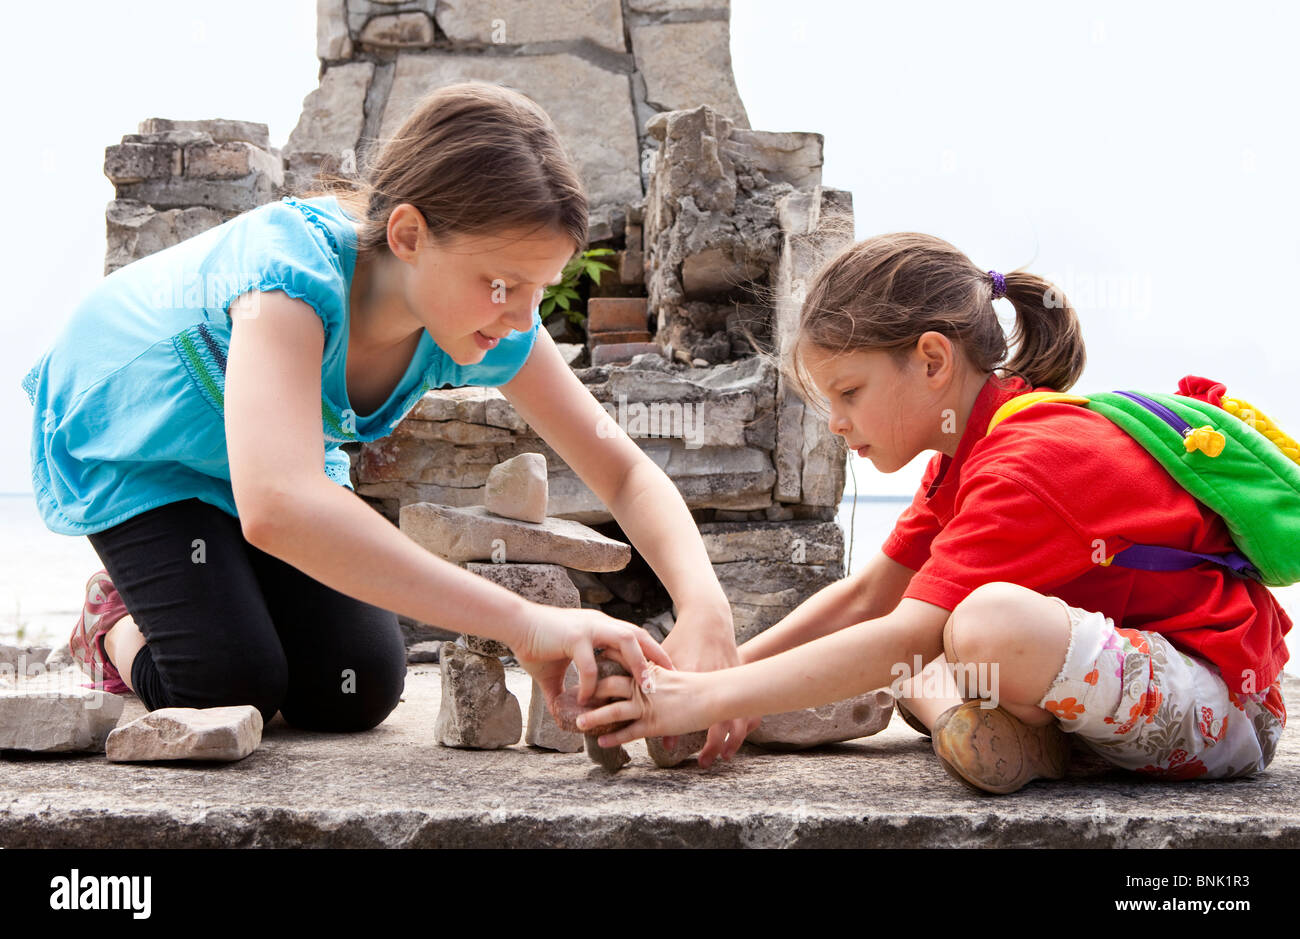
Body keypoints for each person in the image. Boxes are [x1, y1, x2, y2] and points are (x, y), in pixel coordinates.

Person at [24, 82, 748, 759]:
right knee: (223, 684)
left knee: (355, 682)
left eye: (541, 289)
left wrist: (706, 606)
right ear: (407, 235)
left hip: (265, 459)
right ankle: (110, 621)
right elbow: (279, 505)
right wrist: (528, 622)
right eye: (504, 284)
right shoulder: (291, 272)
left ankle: (215, 585)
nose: (526, 317)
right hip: (141, 442)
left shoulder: (490, 321)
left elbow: (619, 468)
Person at [574, 232, 1291, 793]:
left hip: (1223, 709)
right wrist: (703, 684)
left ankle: (1032, 743)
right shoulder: (964, 450)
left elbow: (902, 636)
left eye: (849, 393)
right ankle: (1016, 740)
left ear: (931, 360)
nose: (835, 424)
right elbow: (865, 596)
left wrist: (698, 700)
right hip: (1116, 690)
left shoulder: (1028, 462)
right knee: (931, 647)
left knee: (972, 629)